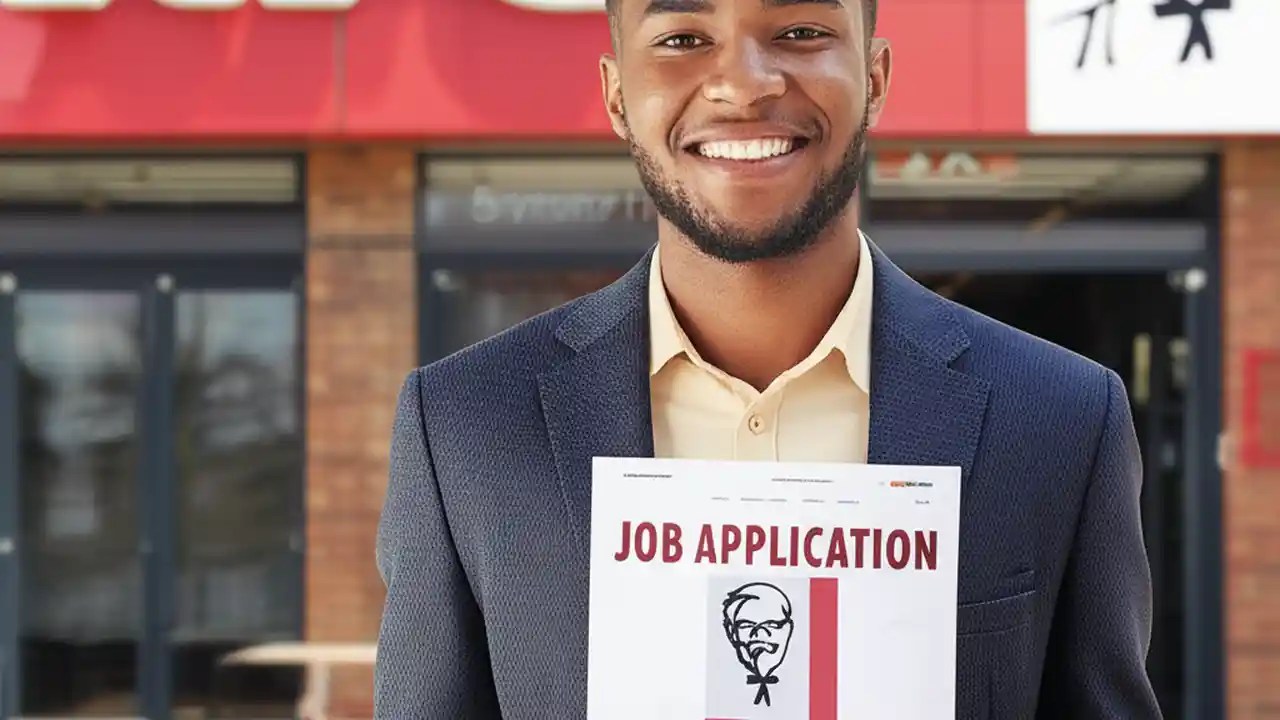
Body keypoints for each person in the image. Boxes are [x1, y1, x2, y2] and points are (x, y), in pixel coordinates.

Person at [374, 0, 1163, 717]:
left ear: (876, 77)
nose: (744, 85)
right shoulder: (466, 426)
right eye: (684, 39)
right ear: (618, 97)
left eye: (801, 33)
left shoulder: (1060, 417)